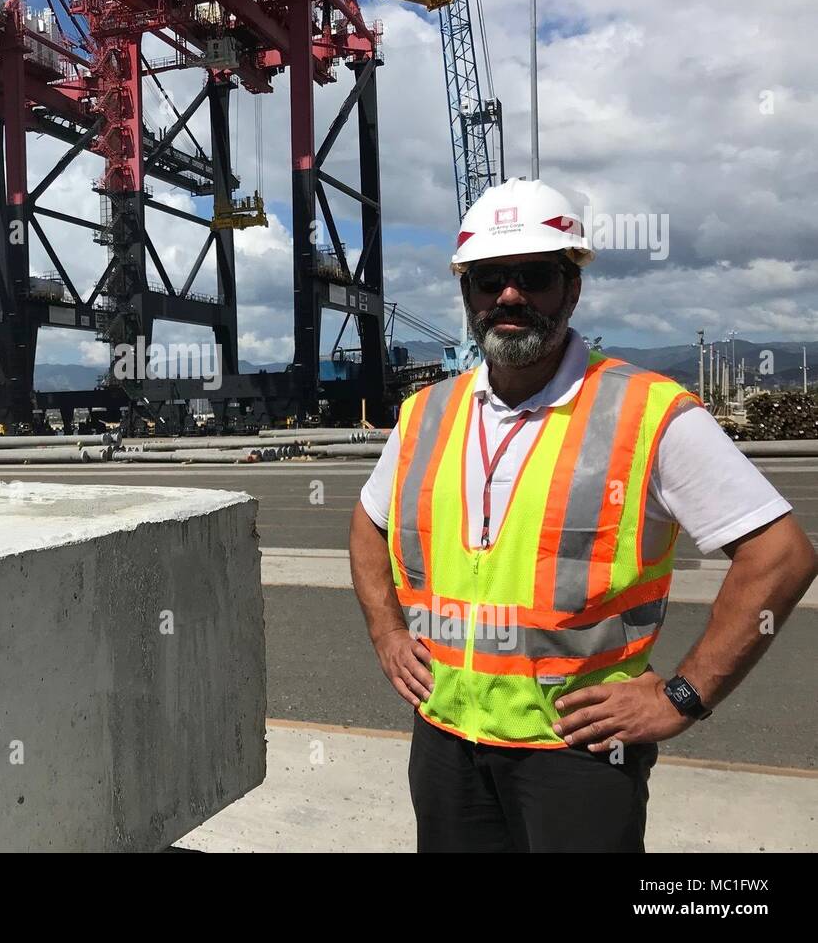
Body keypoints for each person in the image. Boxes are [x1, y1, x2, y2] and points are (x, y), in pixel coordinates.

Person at [348, 177, 818, 853]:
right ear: (466, 292)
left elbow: (782, 554)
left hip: (578, 751)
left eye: (534, 275)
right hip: (447, 738)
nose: (509, 296)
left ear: (572, 286)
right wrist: (388, 633)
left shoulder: (647, 411)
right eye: (488, 279)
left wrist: (683, 695)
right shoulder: (427, 413)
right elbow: (369, 525)